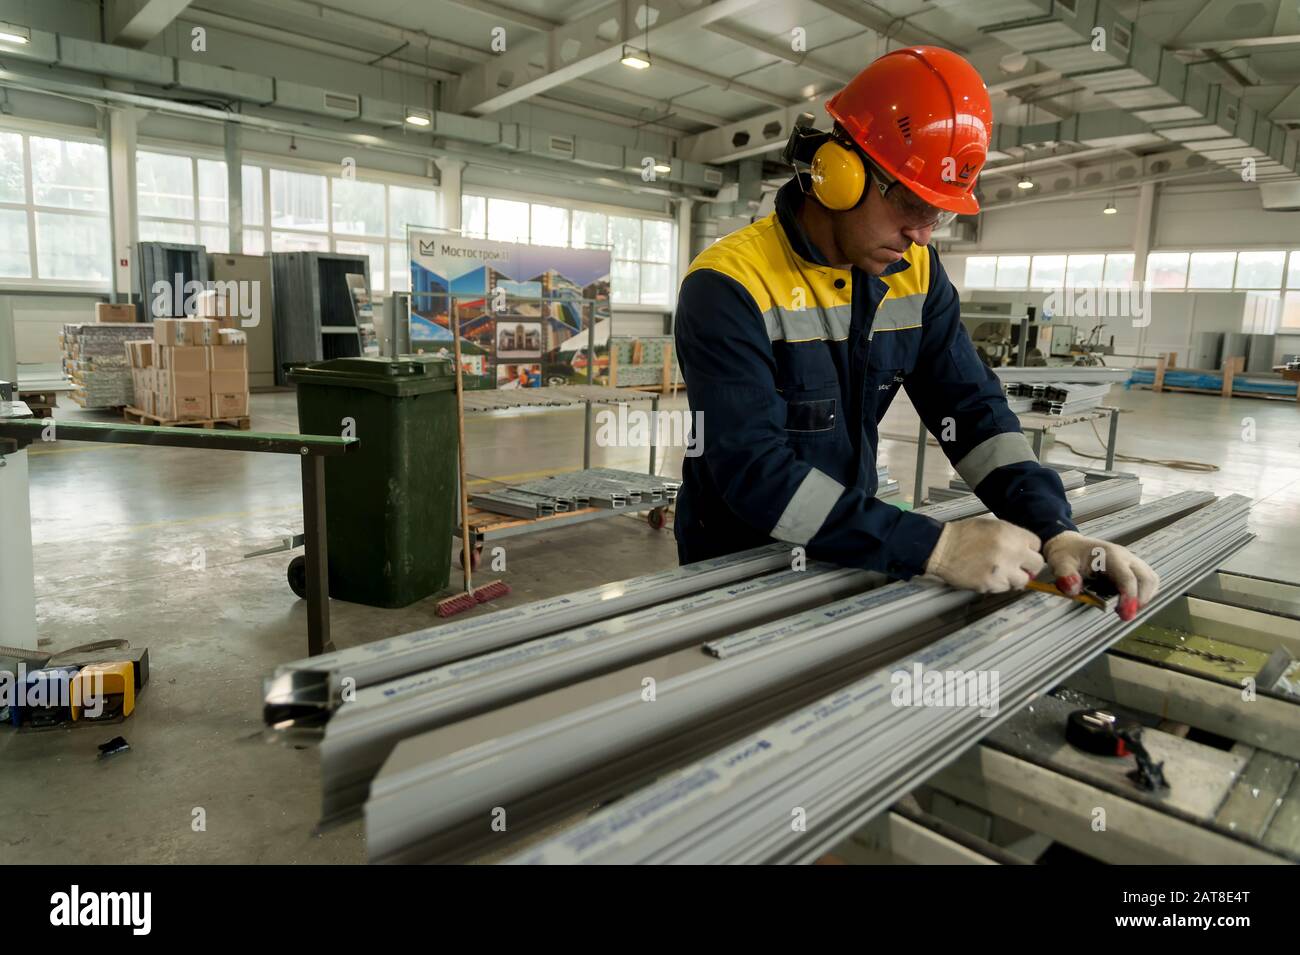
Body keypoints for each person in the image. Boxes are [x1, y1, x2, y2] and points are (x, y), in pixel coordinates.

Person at [672, 45, 1157, 620]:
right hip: (736, 564)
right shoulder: (730, 285)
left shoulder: (915, 275)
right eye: (910, 203)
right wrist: (938, 545)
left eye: (940, 214)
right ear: (839, 175)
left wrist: (1053, 528)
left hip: (851, 545)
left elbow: (972, 411)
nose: (922, 235)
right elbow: (750, 471)